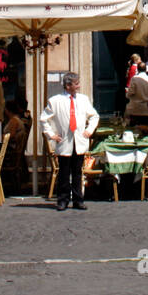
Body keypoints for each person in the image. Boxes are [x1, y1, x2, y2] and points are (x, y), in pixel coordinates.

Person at [40, 72, 98, 211]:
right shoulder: (55, 101)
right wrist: (51, 134)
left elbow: (94, 116)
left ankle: (78, 199)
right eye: (76, 83)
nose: (78, 86)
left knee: (78, 172)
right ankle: (63, 200)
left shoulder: (83, 99)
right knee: (64, 172)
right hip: (64, 141)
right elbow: (43, 119)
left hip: (79, 141)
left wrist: (89, 130)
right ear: (68, 85)